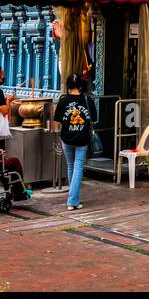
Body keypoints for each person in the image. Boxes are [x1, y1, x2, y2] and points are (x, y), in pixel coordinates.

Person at [54, 75, 98, 211]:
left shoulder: (63, 100)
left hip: (66, 138)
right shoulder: (88, 100)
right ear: (81, 86)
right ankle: (72, 200)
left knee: (71, 167)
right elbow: (94, 119)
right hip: (82, 139)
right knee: (78, 168)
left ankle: (74, 199)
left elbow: (57, 121)